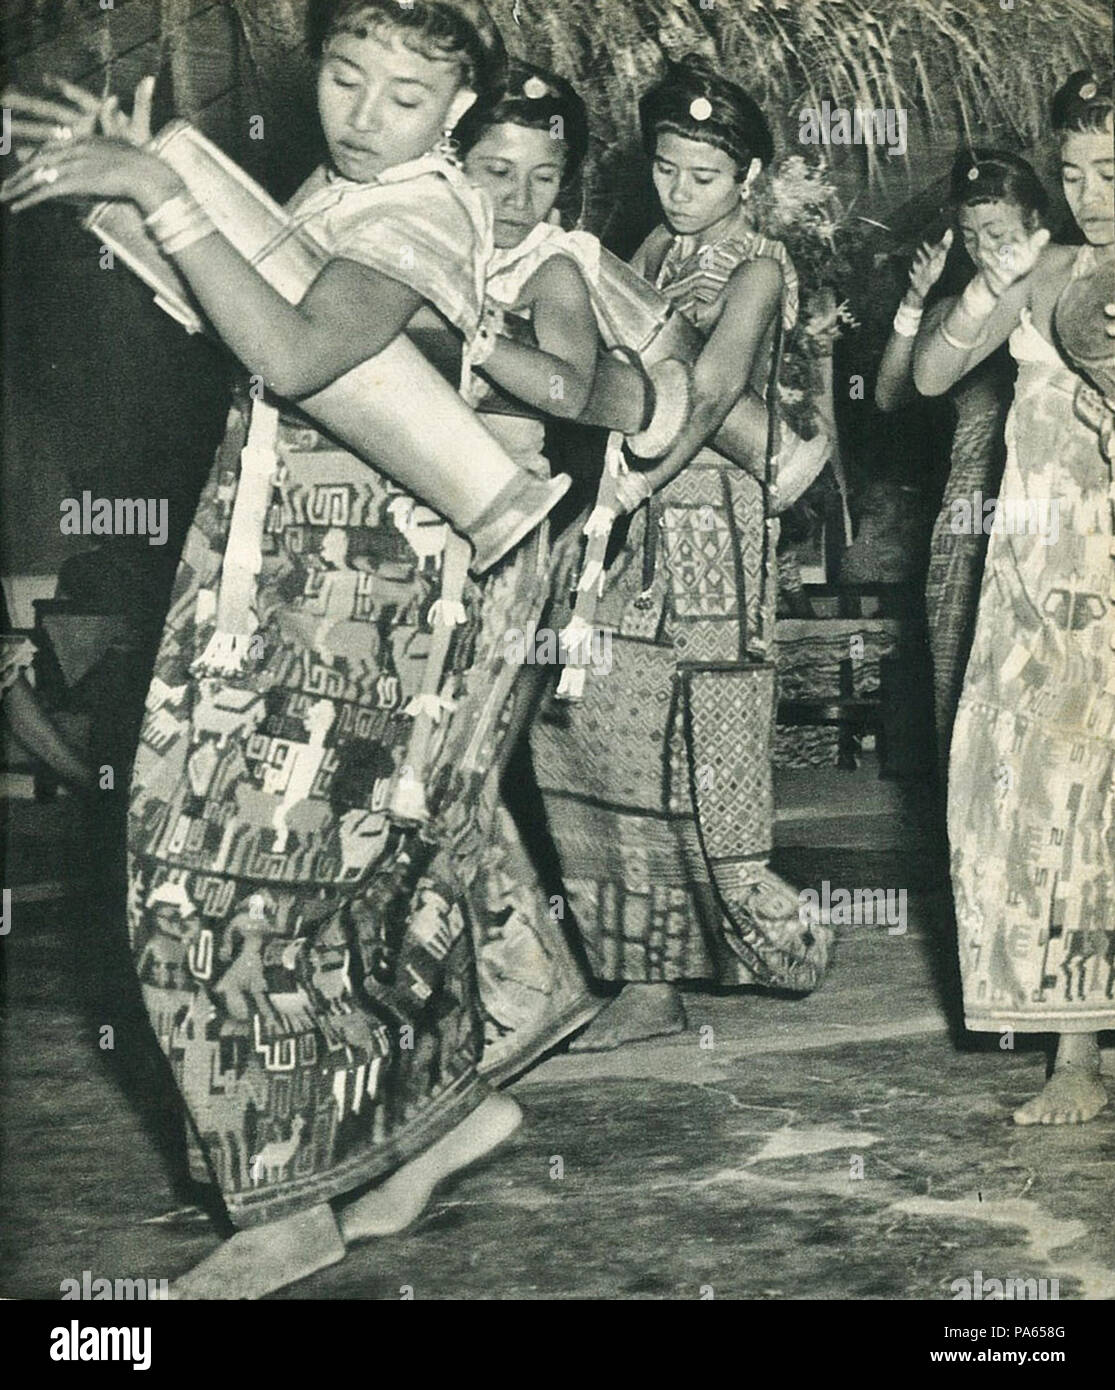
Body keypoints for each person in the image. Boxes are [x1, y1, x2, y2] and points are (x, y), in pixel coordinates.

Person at [2, 0, 562, 1298]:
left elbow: (300, 348)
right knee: (313, 886)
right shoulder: (349, 188)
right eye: (346, 78)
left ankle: (295, 1203)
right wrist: (141, 193)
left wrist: (166, 188)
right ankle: (440, 1116)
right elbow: (236, 308)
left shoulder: (415, 214)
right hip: (288, 582)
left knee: (206, 886)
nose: (362, 115)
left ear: (453, 111)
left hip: (358, 613)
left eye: (402, 96)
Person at [529, 54, 833, 1052]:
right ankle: (644, 975)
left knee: (702, 752)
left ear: (746, 177)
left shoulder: (756, 263)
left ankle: (775, 934)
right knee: (588, 726)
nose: (678, 190)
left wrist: (631, 490)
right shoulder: (654, 243)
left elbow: (705, 395)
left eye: (703, 175)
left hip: (706, 530)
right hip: (632, 521)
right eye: (666, 168)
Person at [914, 71, 1115, 1125]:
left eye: (1111, 172)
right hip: (1041, 589)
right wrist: (984, 287)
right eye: (1075, 171)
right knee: (1039, 798)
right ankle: (1072, 1051)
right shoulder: (1046, 270)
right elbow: (931, 377)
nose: (1090, 194)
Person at [878, 152, 1049, 770]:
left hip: (1040, 506)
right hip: (968, 512)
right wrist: (915, 302)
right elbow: (893, 392)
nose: (984, 250)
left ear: (1035, 222)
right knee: (957, 686)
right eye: (972, 237)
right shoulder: (964, 304)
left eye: (999, 235)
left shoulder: (1054, 278)